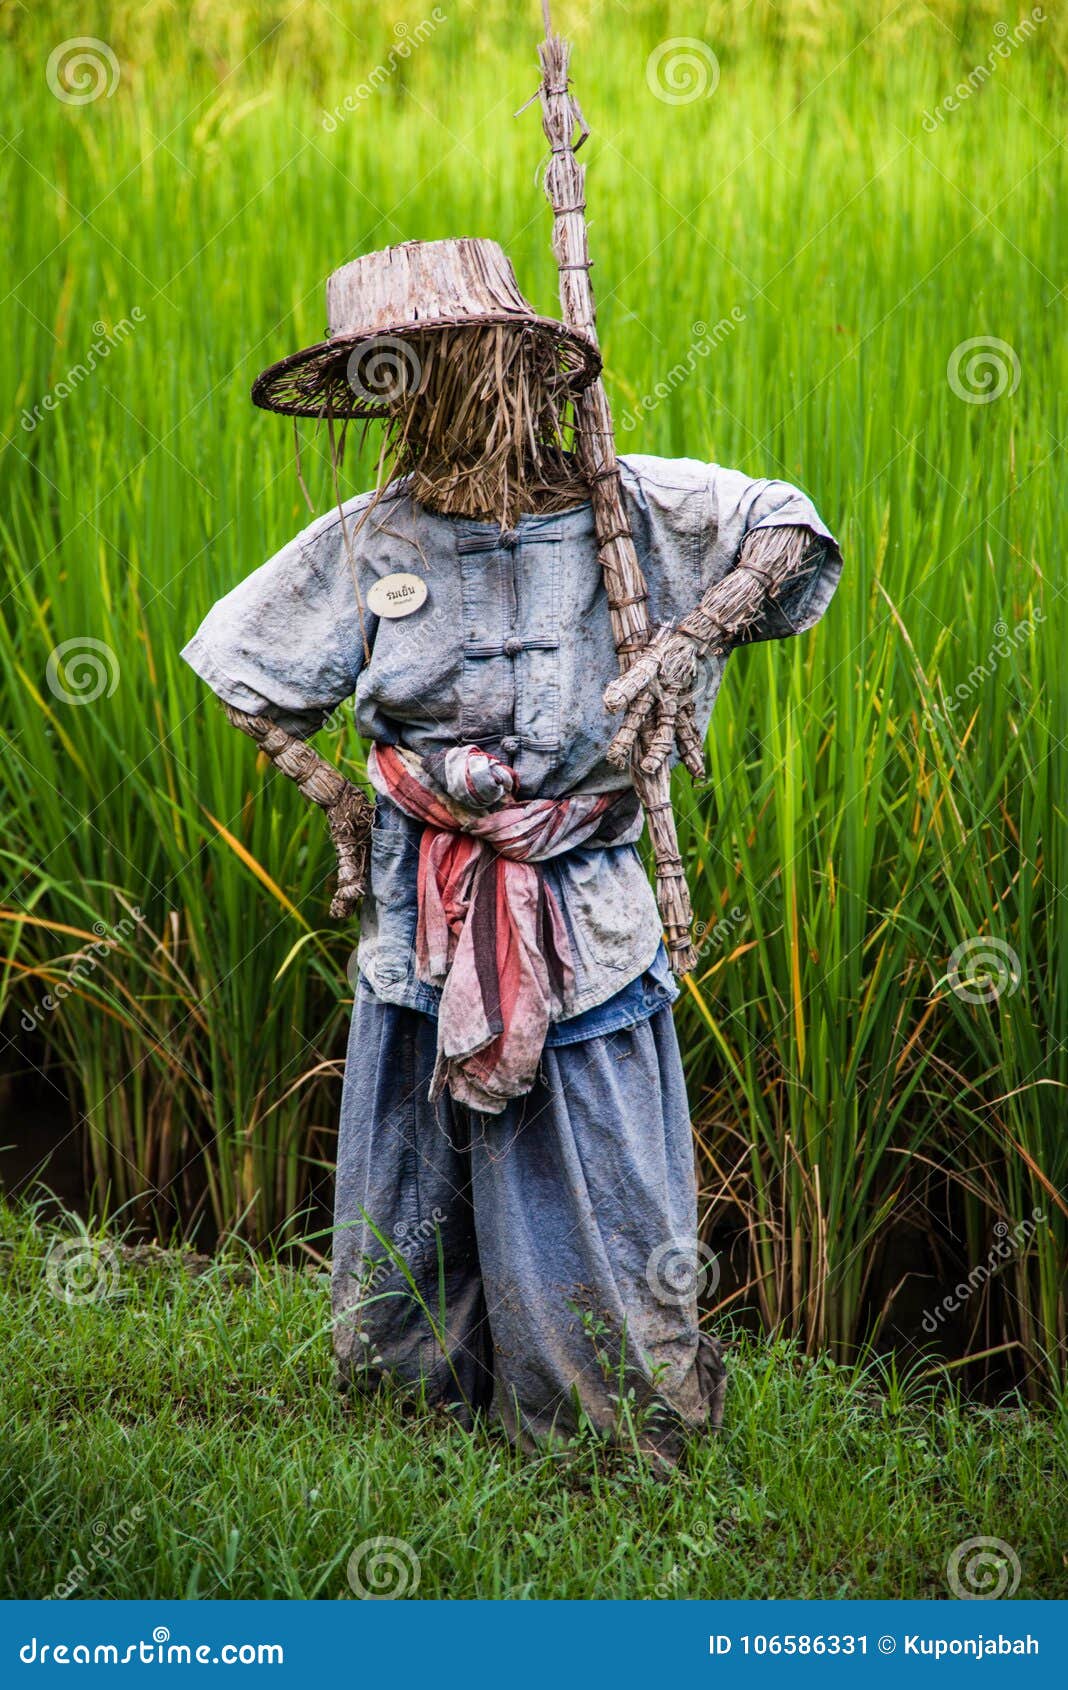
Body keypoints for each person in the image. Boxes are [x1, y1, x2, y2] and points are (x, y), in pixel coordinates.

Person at [182, 237, 841, 1464]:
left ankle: (603, 1421)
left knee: (593, 1154)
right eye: (393, 377)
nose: (419, 399)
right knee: (417, 1162)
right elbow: (239, 660)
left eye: (440, 368)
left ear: (505, 367)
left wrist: (690, 641)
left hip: (580, 896)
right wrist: (333, 790)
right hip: (423, 894)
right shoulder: (370, 537)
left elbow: (792, 532)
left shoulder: (629, 506)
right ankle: (414, 1416)